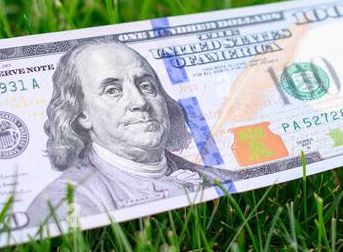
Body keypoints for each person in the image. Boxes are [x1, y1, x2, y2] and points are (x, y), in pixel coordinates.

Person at [25, 40, 234, 228]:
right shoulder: (62, 203)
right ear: (81, 114)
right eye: (112, 90)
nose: (140, 102)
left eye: (146, 86)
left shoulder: (221, 179)